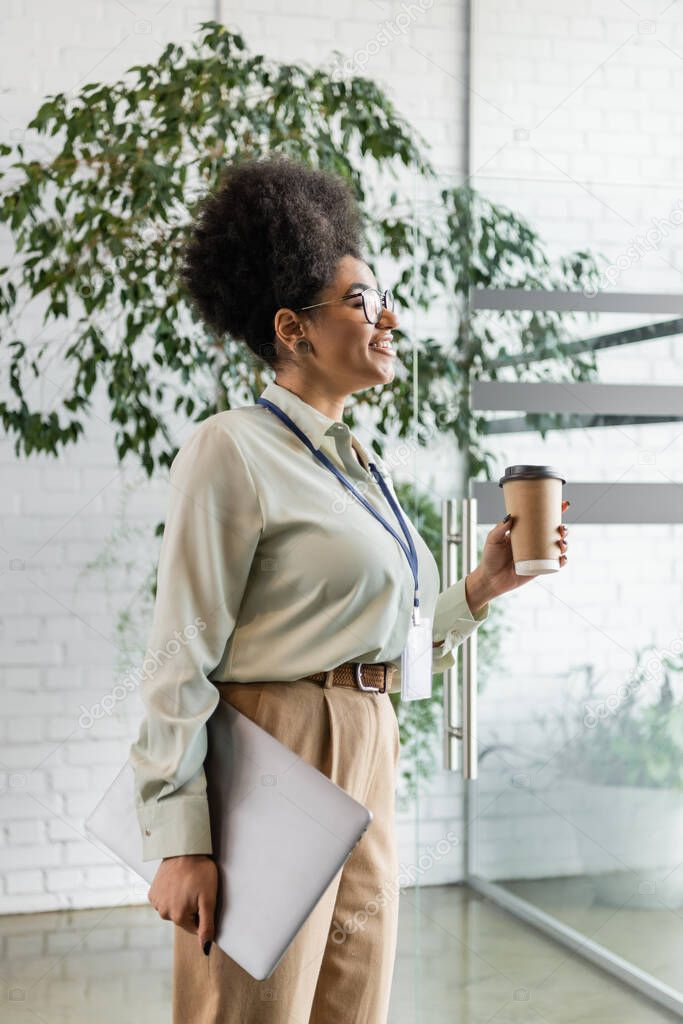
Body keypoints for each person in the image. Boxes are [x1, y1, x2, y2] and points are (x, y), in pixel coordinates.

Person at [128, 154, 569, 1024]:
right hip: (277, 745)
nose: (388, 316)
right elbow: (179, 650)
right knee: (249, 1007)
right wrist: (181, 841)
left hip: (369, 737)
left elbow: (379, 639)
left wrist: (478, 589)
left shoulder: (355, 464)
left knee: (351, 1003)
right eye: (362, 301)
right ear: (292, 329)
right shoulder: (233, 449)